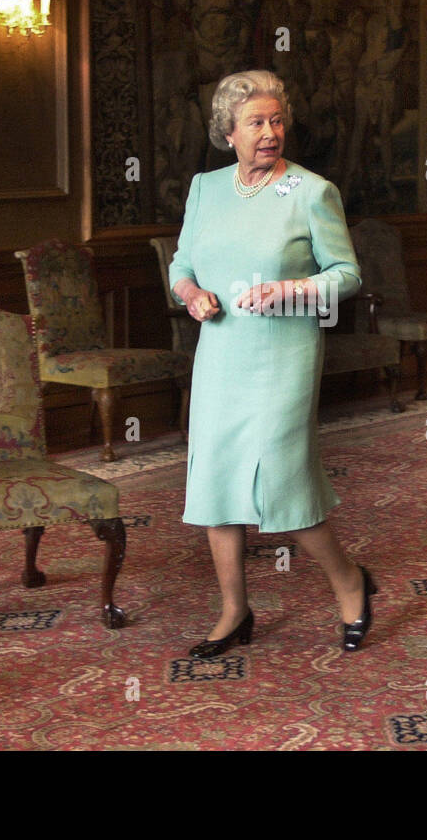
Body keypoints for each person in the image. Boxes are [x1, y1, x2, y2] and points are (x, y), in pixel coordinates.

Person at [168, 69, 377, 657]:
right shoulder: (205, 189)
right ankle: (235, 610)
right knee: (215, 479)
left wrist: (289, 290)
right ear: (228, 133)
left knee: (283, 482)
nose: (270, 132)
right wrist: (191, 295)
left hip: (283, 355)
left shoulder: (311, 191)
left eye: (277, 120)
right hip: (222, 353)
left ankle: (350, 581)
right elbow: (180, 264)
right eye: (256, 122)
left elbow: (347, 275)